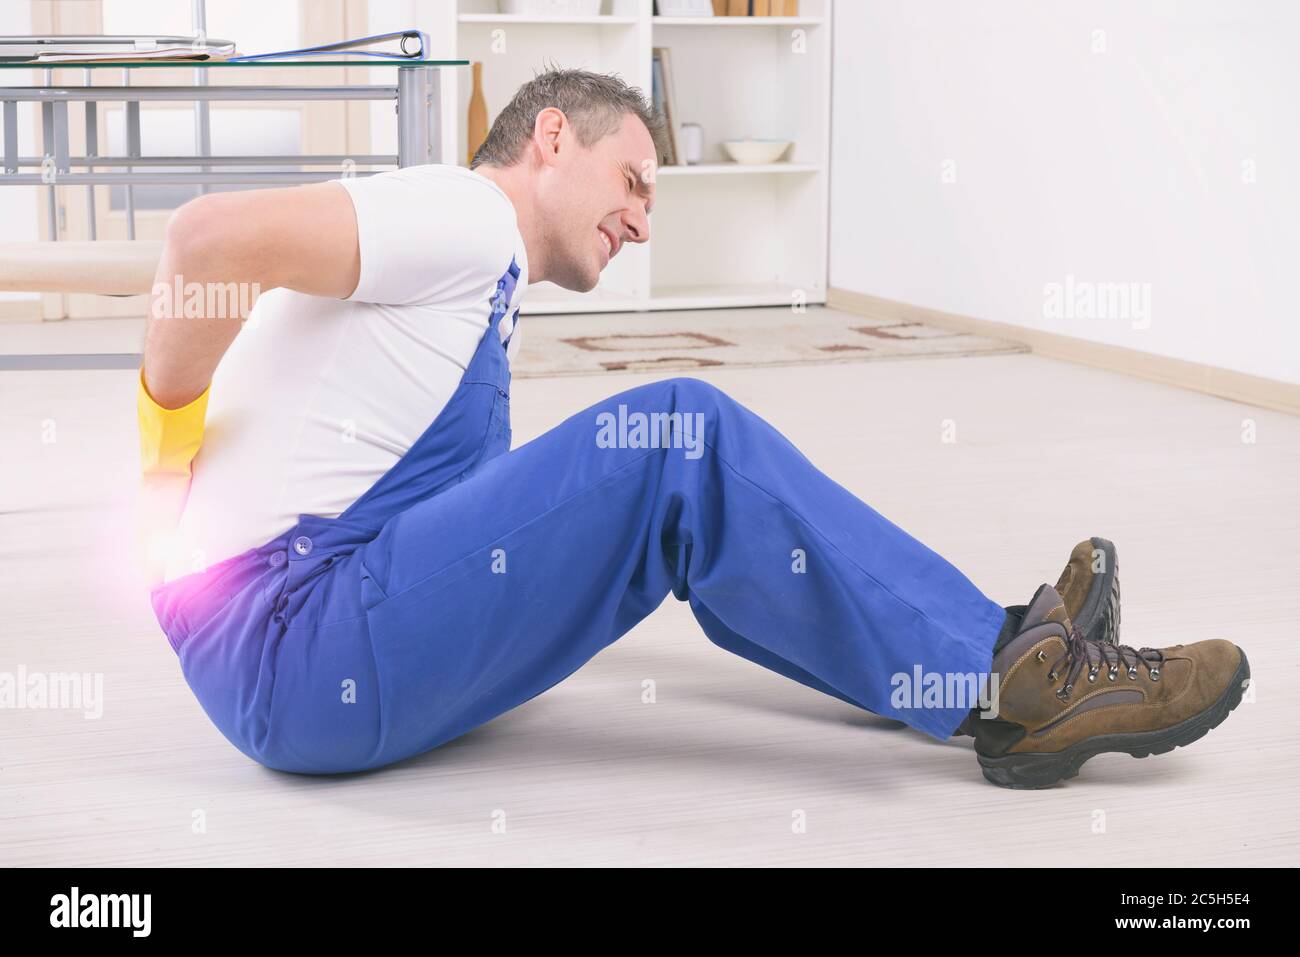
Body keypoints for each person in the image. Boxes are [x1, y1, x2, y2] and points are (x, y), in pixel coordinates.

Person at [137, 69, 1249, 789]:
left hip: (295, 637)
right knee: (677, 439)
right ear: (551, 139)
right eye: (631, 180)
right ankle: (1019, 680)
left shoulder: (469, 286)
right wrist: (163, 457)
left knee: (642, 490)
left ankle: (991, 647)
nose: (641, 218)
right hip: (293, 637)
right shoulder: (463, 212)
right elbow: (203, 244)